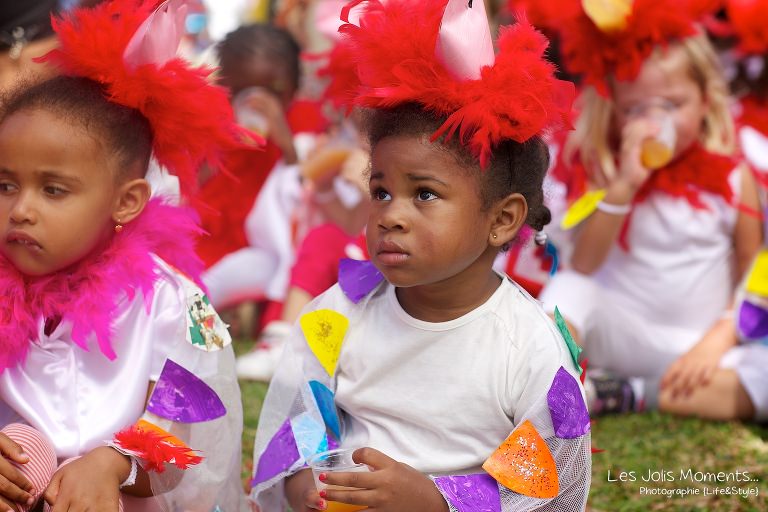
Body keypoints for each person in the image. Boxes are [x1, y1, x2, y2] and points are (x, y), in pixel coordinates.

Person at [250, 1, 591, 511]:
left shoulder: (530, 348)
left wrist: (434, 499)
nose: (391, 215)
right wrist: (305, 485)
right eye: (382, 191)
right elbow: (300, 422)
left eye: (425, 194)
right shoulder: (337, 315)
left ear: (501, 219)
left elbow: (552, 487)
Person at [0, 1, 250, 510]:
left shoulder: (169, 301)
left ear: (126, 201)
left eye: (54, 190)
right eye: (4, 184)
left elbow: (185, 421)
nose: (21, 210)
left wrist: (112, 462)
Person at [533, 0, 765, 422]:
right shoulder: (607, 169)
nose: (654, 122)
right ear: (614, 112)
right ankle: (545, 393)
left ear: (706, 102)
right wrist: (623, 187)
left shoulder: (734, 179)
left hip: (701, 349)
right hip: (622, 334)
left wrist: (722, 336)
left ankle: (625, 394)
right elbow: (582, 266)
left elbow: (752, 274)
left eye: (672, 105)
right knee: (569, 293)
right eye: (635, 109)